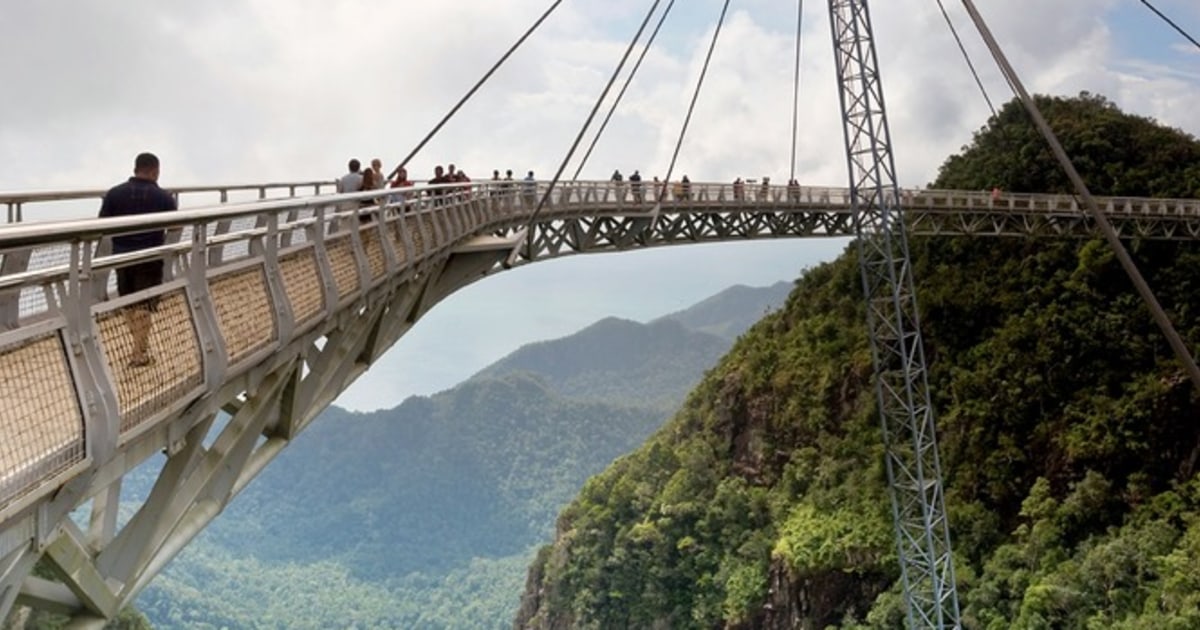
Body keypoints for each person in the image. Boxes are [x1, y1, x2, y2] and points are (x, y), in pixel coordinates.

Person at [98, 152, 177, 368]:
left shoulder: (114, 194)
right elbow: (176, 226)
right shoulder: (164, 197)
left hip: (122, 256)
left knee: (128, 303)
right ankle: (138, 353)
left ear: (135, 169)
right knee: (145, 305)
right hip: (150, 257)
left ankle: (137, 348)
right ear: (154, 171)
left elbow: (102, 225)